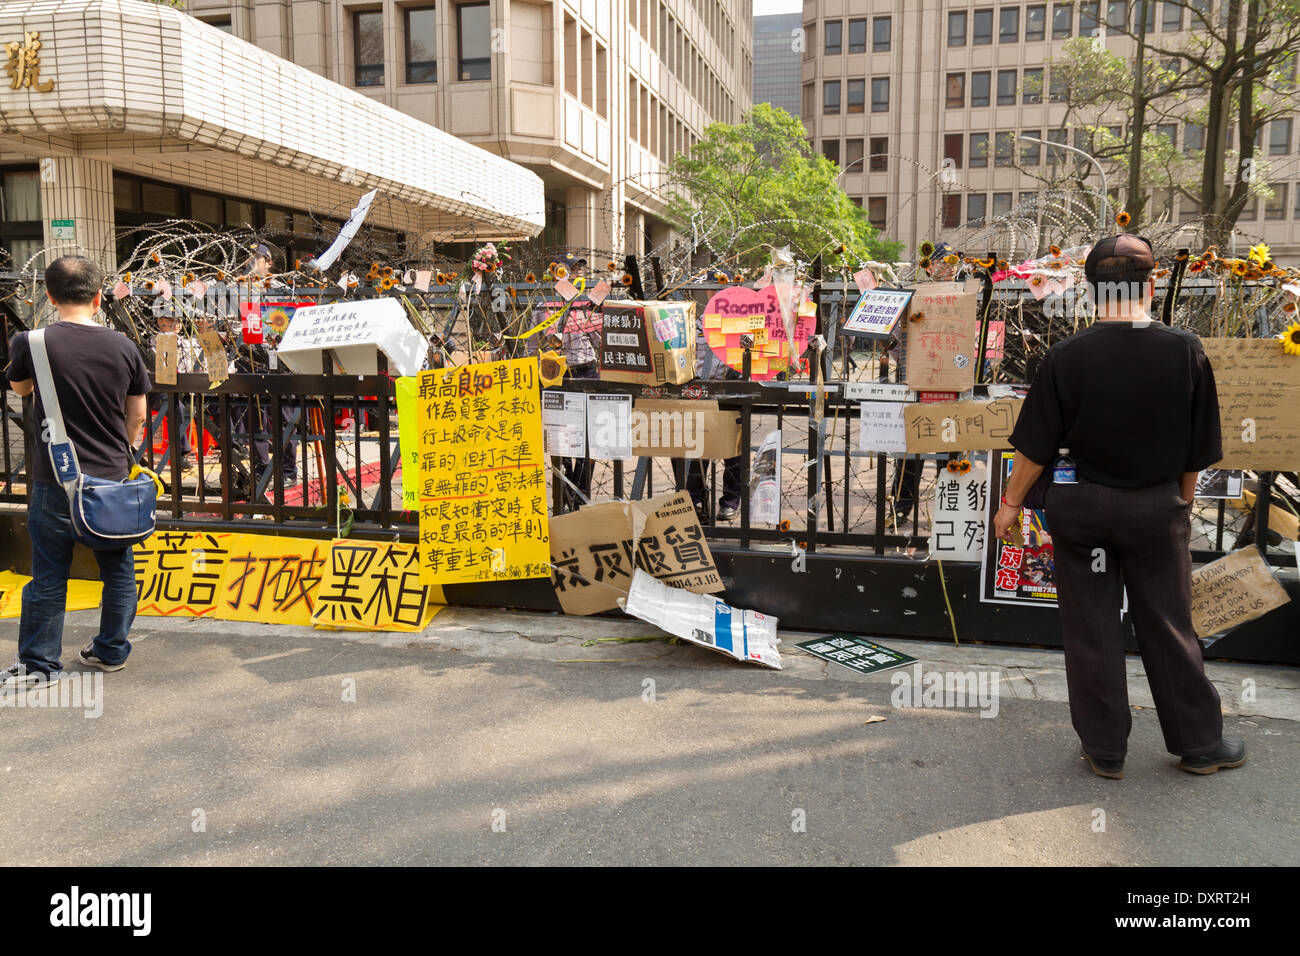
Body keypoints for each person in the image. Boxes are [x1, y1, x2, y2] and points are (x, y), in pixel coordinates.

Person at [993, 235, 1243, 779]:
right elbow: (1200, 450)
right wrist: (1177, 503)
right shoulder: (1184, 350)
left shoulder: (1066, 356)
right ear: (1150, 283)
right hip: (1155, 508)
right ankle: (1199, 745)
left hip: (1081, 508)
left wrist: (1010, 505)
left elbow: (1034, 448)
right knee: (1170, 625)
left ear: (1090, 290)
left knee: (1092, 629)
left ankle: (1106, 751)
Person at [2, 255, 151, 688]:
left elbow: (21, 388)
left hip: (54, 479)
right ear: (98, 296)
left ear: (49, 295)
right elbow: (137, 412)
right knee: (118, 567)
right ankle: (111, 650)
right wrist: (126, 449)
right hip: (110, 478)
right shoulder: (123, 345)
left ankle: (39, 665)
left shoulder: (30, 342)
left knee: (48, 573)